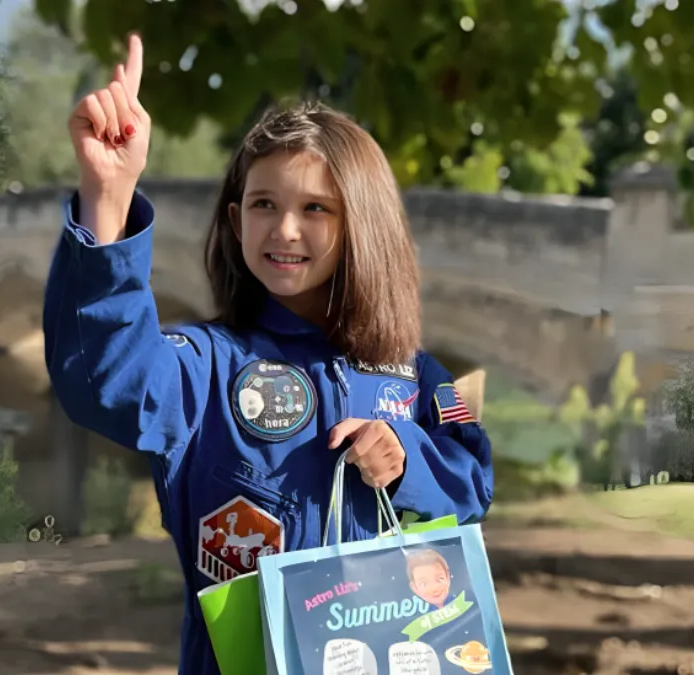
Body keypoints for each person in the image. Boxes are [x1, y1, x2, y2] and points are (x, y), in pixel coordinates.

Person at [44, 33, 494, 675]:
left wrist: (405, 456)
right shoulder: (201, 363)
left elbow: (474, 482)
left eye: (316, 208)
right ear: (235, 222)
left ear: (362, 225)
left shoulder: (424, 377)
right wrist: (108, 197)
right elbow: (107, 383)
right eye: (264, 205)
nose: (285, 229)